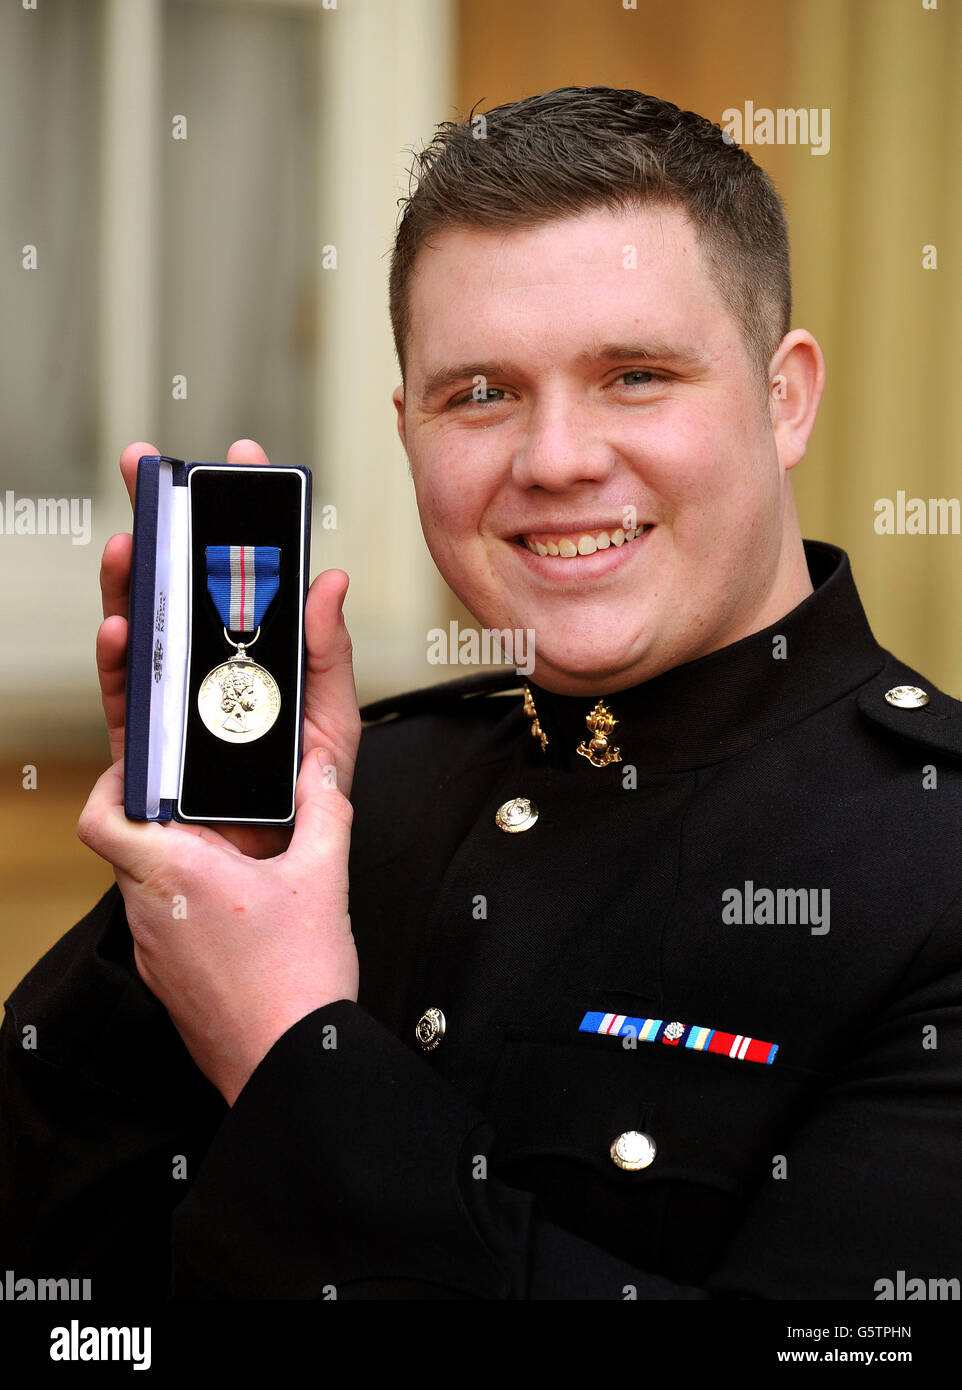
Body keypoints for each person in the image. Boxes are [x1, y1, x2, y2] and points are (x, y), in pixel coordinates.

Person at [2, 86, 961, 1301]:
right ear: (403, 427)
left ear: (786, 398)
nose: (554, 458)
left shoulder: (932, 858)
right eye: (480, 394)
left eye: (634, 375)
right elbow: (59, 1292)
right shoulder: (348, 797)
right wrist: (196, 880)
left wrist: (293, 1054)